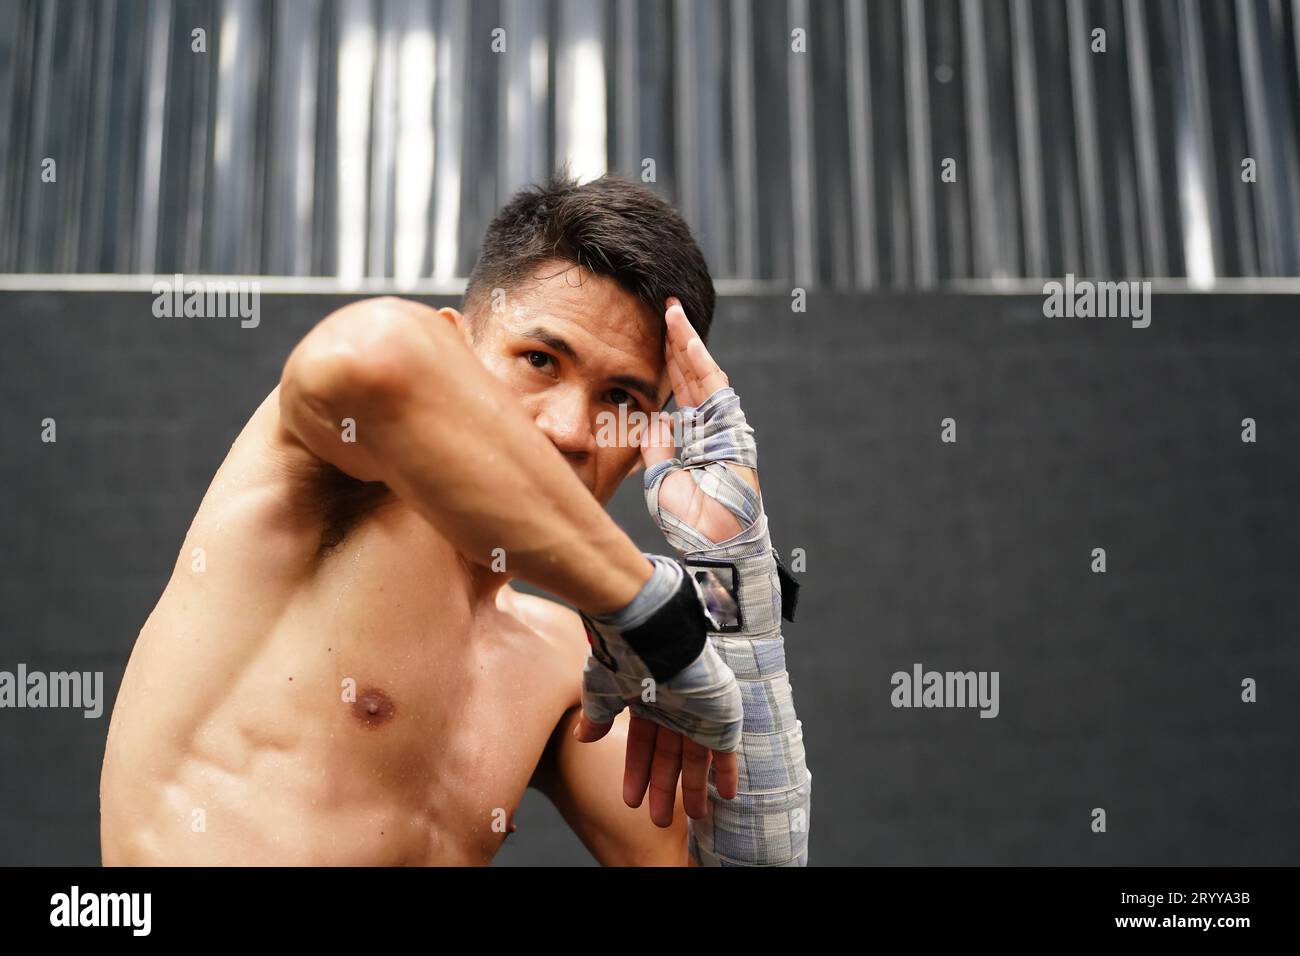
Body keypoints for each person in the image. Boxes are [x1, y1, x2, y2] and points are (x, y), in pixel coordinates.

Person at [100, 174, 809, 866]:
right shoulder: (333, 485)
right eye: (539, 359)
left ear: (646, 445)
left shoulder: (575, 663)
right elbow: (374, 357)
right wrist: (644, 605)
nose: (568, 428)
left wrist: (738, 581)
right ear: (454, 348)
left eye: (620, 397)